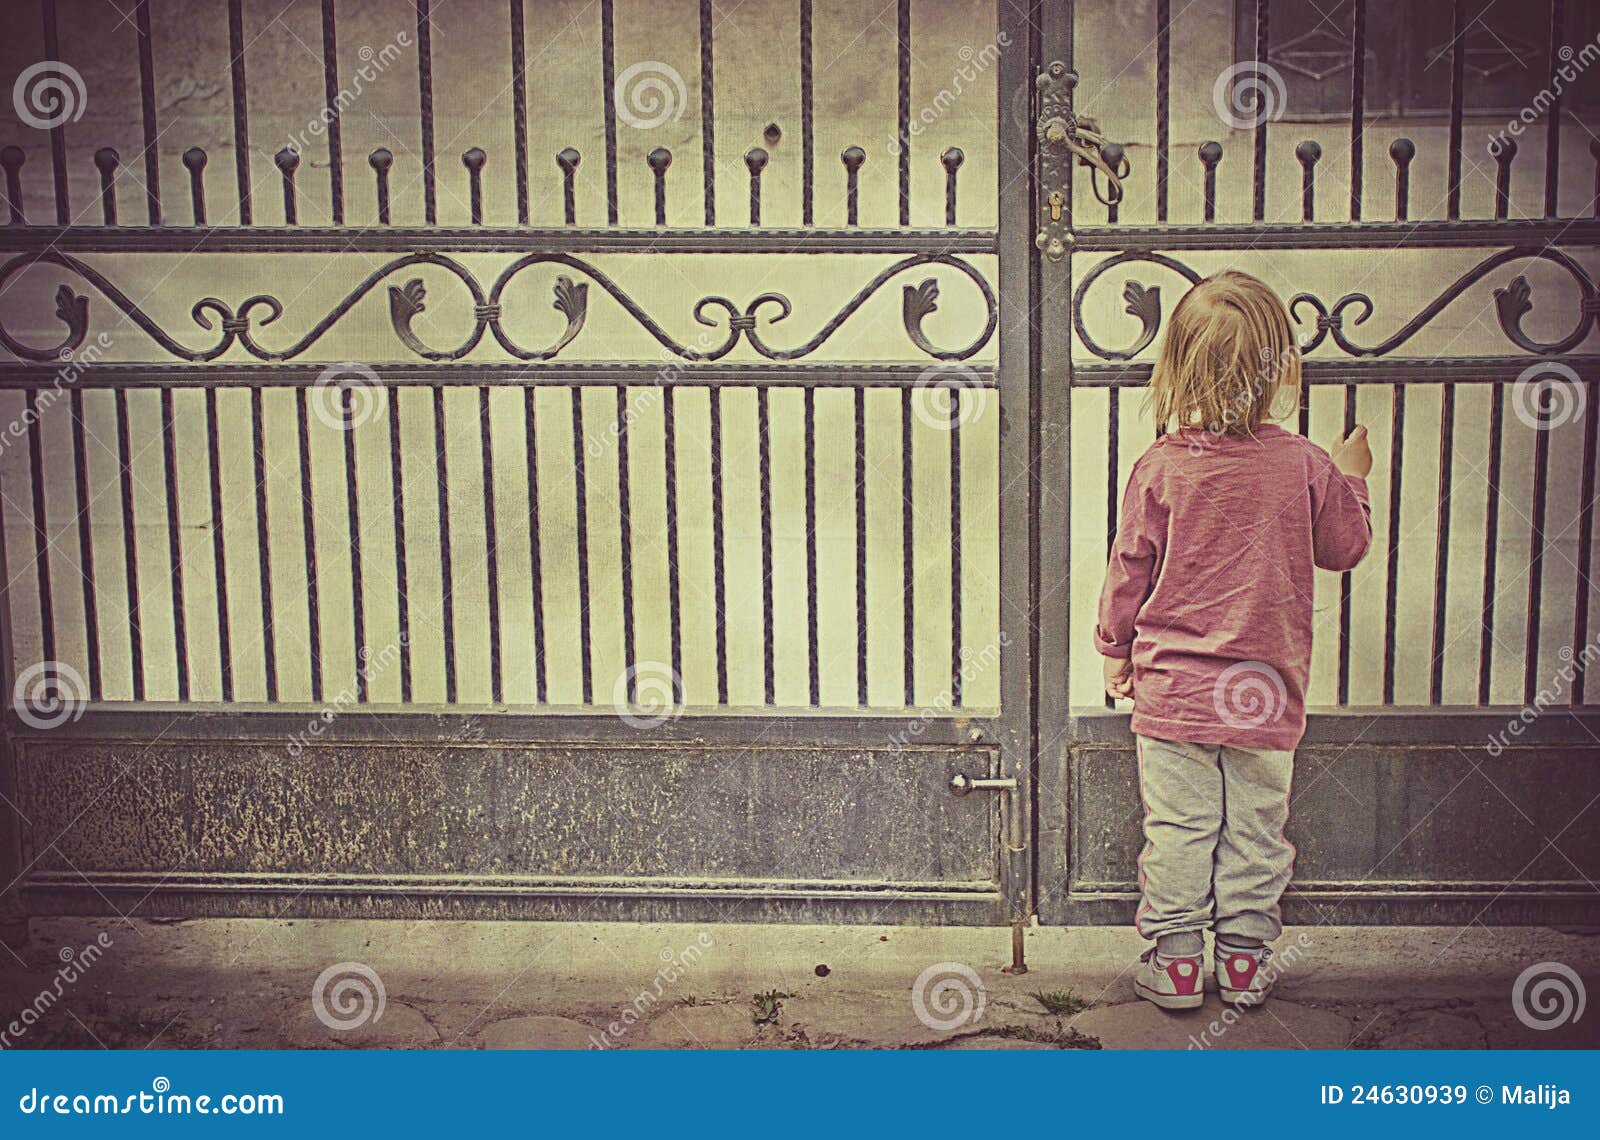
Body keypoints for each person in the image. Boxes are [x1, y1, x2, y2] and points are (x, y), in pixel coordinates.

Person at [1094, 271, 1374, 1011]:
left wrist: (1113, 647)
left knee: (1180, 831)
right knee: (1255, 830)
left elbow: (1131, 566)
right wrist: (1355, 480)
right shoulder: (1307, 464)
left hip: (1175, 690)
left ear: (1176, 366)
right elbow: (1344, 548)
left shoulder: (1160, 467)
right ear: (1284, 368)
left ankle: (1178, 964)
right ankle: (1246, 962)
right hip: (1265, 690)